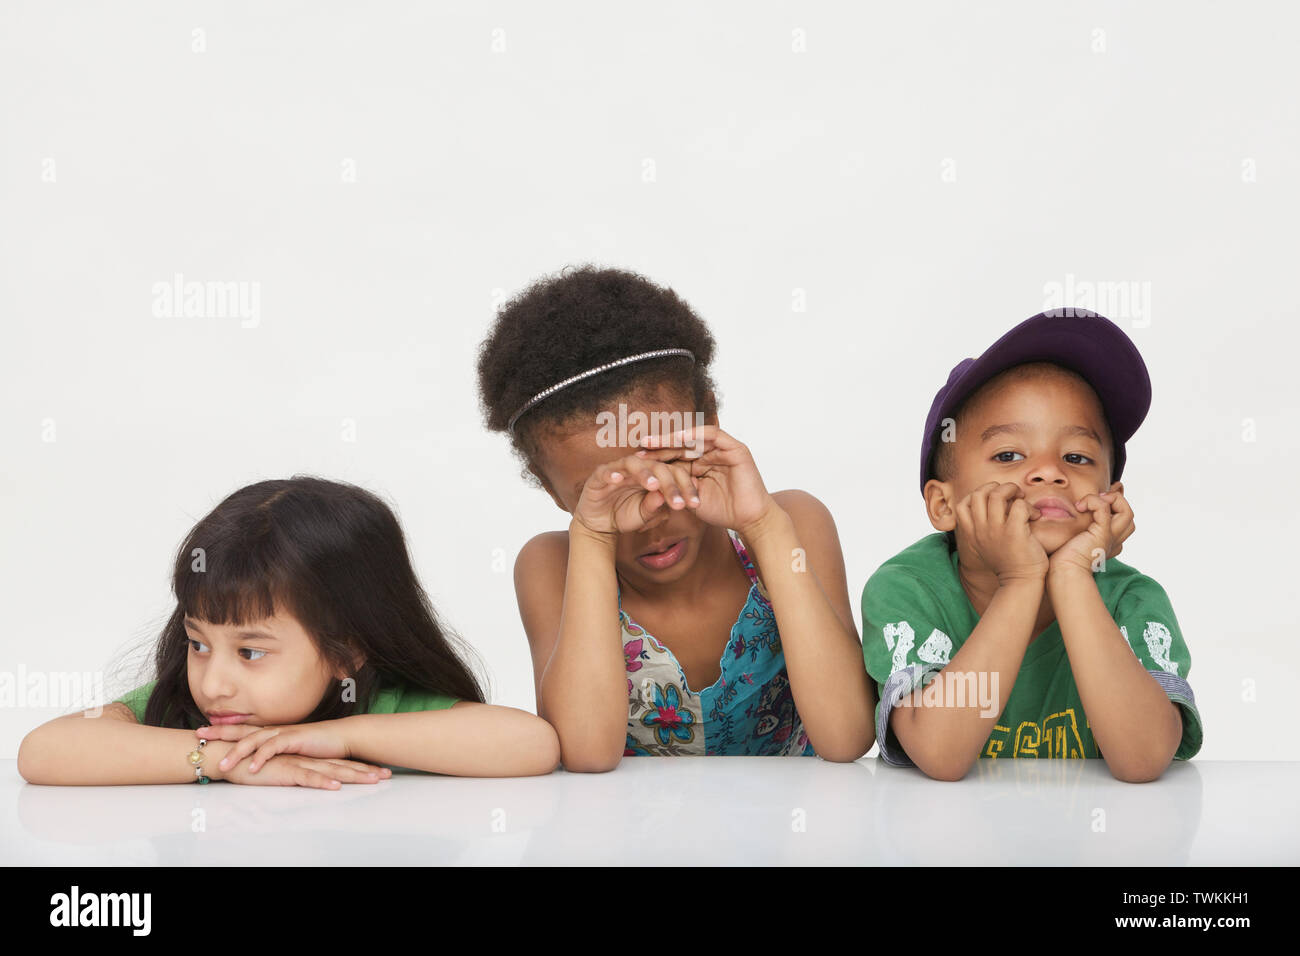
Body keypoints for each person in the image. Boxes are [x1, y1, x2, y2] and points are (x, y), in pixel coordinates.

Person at [477, 264, 874, 770]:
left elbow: (847, 736)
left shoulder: (791, 521)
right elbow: (586, 754)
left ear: (708, 420)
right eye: (603, 492)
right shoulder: (552, 564)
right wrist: (593, 536)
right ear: (547, 484)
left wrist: (764, 527)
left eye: (665, 465)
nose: (648, 517)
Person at [18, 476, 560, 785]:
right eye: (199, 644)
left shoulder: (383, 708)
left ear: (347, 653)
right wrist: (223, 762)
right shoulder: (185, 713)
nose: (213, 683)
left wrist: (343, 738)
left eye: (250, 652)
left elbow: (531, 745)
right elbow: (42, 751)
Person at [862, 308, 1203, 782]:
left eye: (1076, 457)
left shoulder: (1132, 600)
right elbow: (939, 753)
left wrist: (1072, 575)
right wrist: (1022, 580)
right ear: (943, 504)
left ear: (1111, 498)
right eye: (1009, 454)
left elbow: (1143, 760)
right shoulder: (908, 589)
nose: (1048, 471)